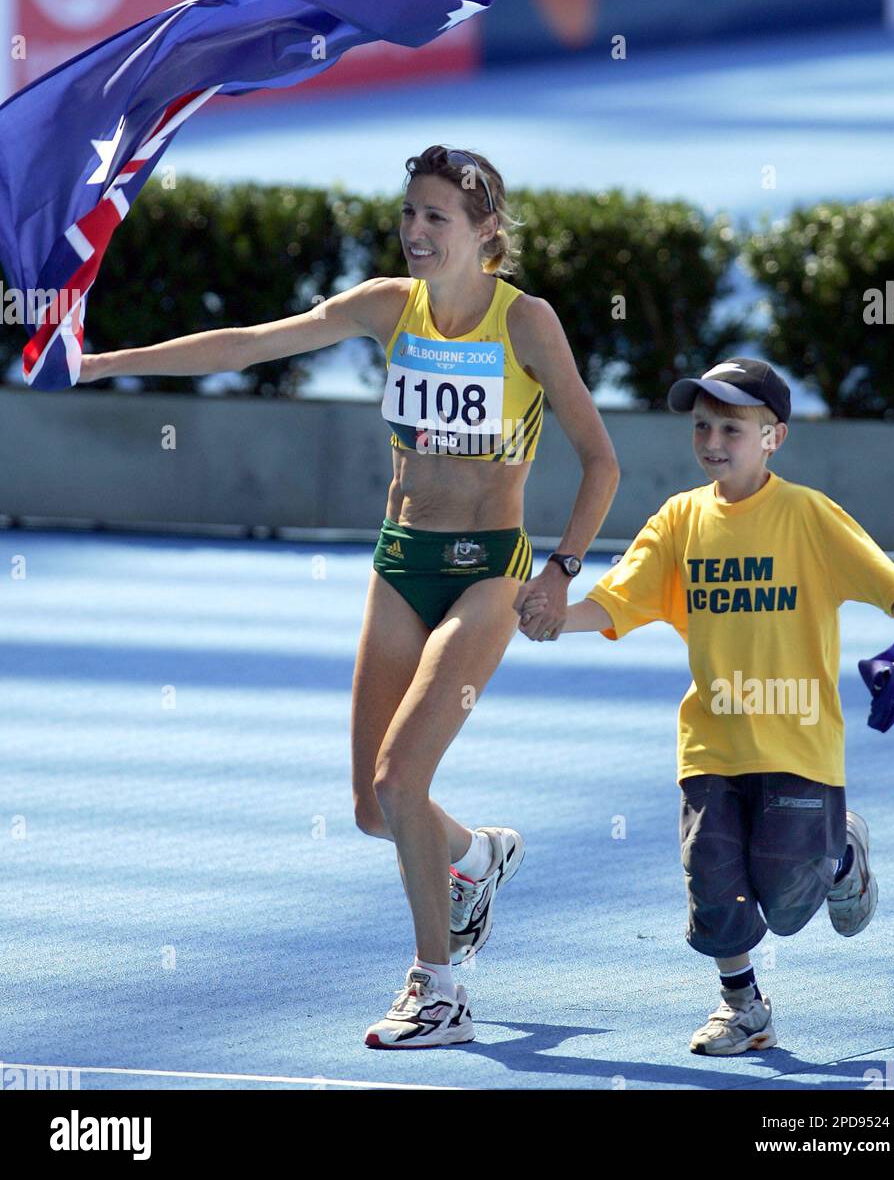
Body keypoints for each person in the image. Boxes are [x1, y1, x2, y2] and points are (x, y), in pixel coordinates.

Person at [79, 145, 620, 1048]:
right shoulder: (385, 308)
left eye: (435, 217)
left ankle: (438, 989)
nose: (414, 230)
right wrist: (102, 366)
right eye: (408, 213)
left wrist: (561, 571)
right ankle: (478, 857)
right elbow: (255, 342)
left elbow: (602, 460)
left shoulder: (526, 323)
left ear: (487, 232)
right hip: (400, 559)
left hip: (488, 570)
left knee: (402, 779)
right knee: (376, 808)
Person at [517, 358, 894, 1055]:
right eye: (703, 425)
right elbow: (619, 601)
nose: (714, 439)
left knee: (786, 899)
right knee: (713, 883)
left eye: (732, 427)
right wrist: (554, 615)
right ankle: (742, 1005)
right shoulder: (680, 521)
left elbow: (888, 579)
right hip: (710, 741)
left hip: (799, 744)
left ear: (773, 437)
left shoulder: (807, 515)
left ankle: (838, 852)